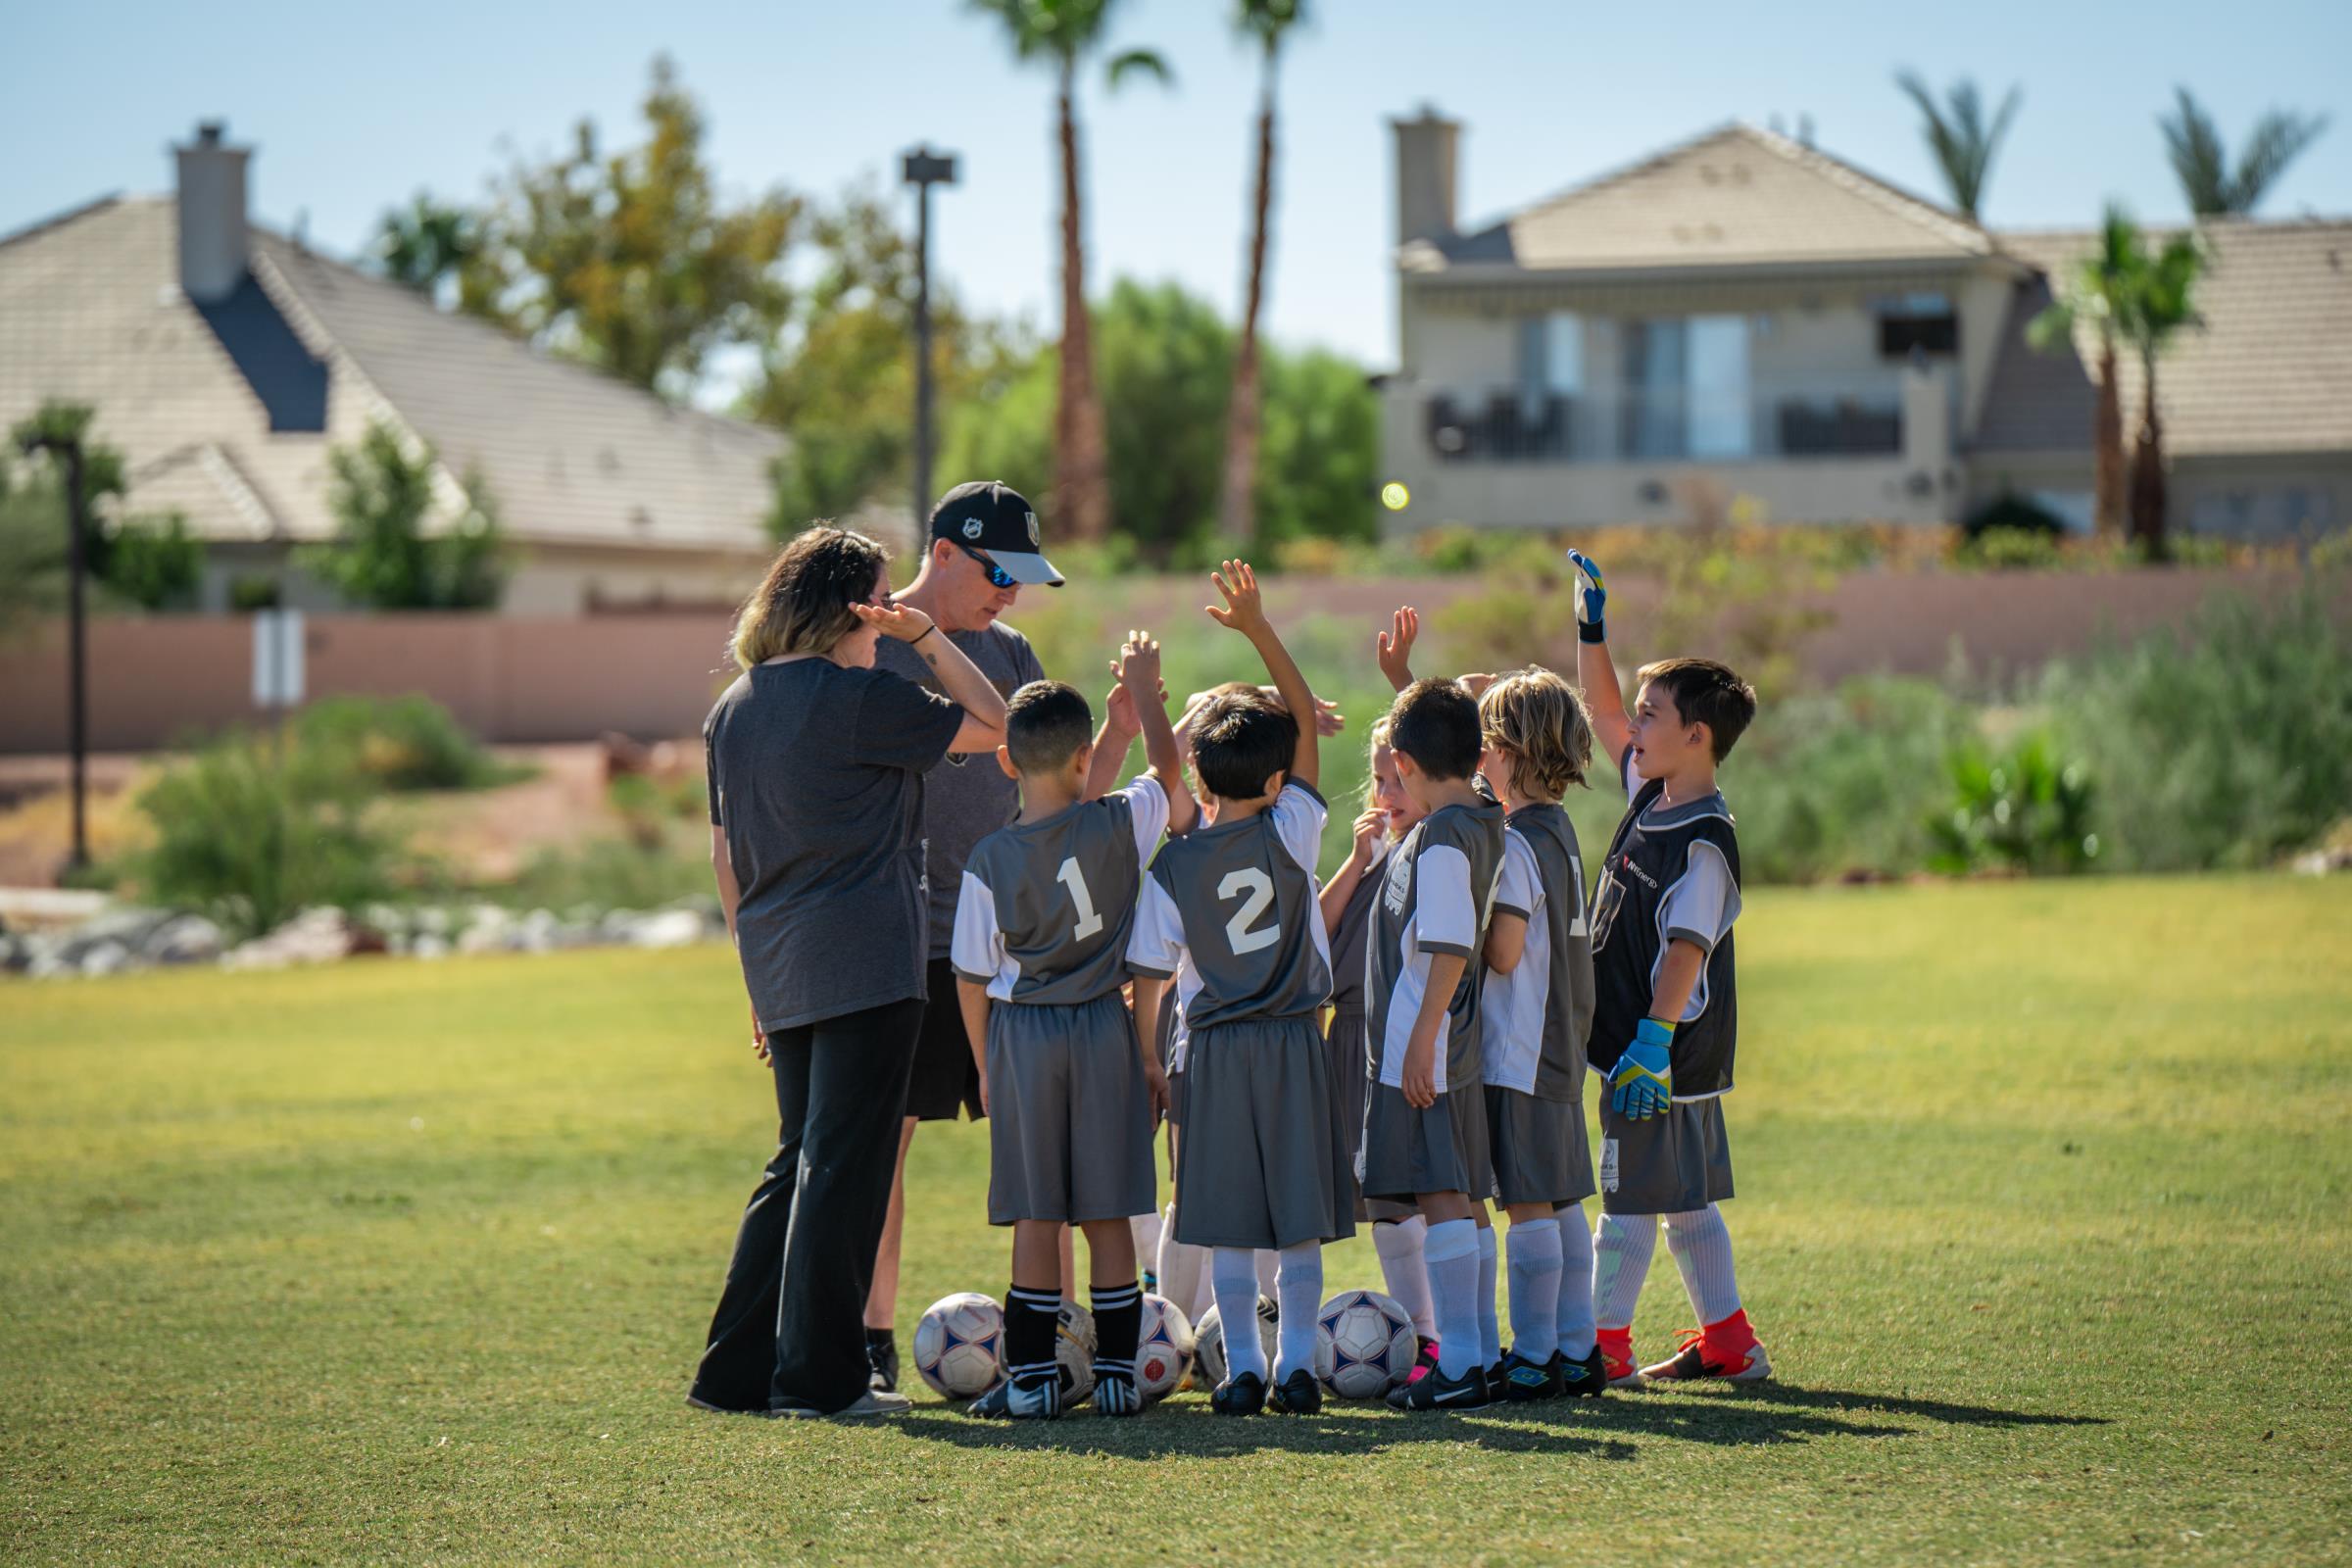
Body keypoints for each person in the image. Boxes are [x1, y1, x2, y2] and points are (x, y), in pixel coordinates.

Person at [690, 525, 1008, 1419]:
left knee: (797, 1162)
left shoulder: (736, 706)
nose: (894, 607)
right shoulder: (860, 695)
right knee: (843, 1169)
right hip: (869, 960)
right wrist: (927, 640)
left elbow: (726, 859)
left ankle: (733, 1374)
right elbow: (999, 726)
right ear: (848, 607)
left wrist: (755, 981)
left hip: (782, 963)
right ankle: (822, 1382)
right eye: (881, 596)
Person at [862, 480, 1131, 1393]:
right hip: (899, 938)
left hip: (1012, 953)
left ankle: (1051, 1352)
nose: (1010, 596)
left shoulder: (1011, 651)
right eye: (997, 574)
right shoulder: (866, 649)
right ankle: (869, 1337)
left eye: (1022, 579)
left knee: (1040, 1160)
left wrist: (1125, 726)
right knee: (880, 1144)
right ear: (941, 552)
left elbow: (1062, 792)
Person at [1127, 563, 1352, 1417]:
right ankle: (1297, 1362)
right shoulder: (1293, 831)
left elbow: (1150, 974)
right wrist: (1260, 629)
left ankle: (1245, 1369)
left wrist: (1151, 1059)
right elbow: (1302, 731)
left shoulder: (1175, 862)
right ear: (1272, 784)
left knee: (1222, 1216)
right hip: (1293, 1041)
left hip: (1211, 1051)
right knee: (1293, 1218)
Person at [952, 636, 1195, 1420]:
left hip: (1023, 1036)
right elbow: (1170, 784)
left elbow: (971, 974)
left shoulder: (988, 859)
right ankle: (1119, 1372)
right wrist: (1146, 699)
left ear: (1004, 763)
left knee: (1036, 1211)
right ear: (1086, 754)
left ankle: (1030, 1381)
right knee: (1108, 1208)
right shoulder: (1121, 823)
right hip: (1105, 1030)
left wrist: (984, 1062)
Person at [1566, 548, 1770, 1386]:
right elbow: (1603, 708)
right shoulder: (1655, 792)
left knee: (1627, 1206)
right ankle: (1729, 1343)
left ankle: (1599, 1348)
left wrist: (1647, 1044)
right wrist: (1590, 625)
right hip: (1654, 1053)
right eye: (1642, 715)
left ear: (1698, 737)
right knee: (1685, 1204)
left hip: (1655, 1059)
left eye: (1654, 717)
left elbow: (1686, 950)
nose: (1634, 729)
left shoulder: (1704, 841)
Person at [1357, 676, 1508, 1412]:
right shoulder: (1475, 811)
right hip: (1441, 1041)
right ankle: (1478, 1351)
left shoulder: (1448, 837)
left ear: (1407, 765)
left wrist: (1421, 1044)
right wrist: (1414, 685)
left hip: (1428, 1044)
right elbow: (1450, 746)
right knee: (1462, 1198)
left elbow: (1447, 945)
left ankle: (1465, 1363)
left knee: (1442, 1194)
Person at [1474, 667, 1606, 1400]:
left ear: (1513, 752)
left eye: (1487, 744)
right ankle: (1578, 1348)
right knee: (1559, 1199)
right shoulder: (1559, 830)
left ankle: (1531, 1352)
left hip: (1519, 1048)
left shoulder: (1516, 843)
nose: (1478, 759)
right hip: (1563, 1040)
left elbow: (1504, 952)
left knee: (1528, 1201)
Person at [1316, 711, 1439, 1379]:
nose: (1387, 795)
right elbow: (1318, 949)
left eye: (1401, 780)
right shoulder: (1374, 858)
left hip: (1405, 1040)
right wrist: (1354, 860)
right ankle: (1425, 1335)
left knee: (1414, 1194)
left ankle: (1432, 1335)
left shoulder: (1440, 850)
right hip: (1352, 1043)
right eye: (1377, 779)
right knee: (1381, 1197)